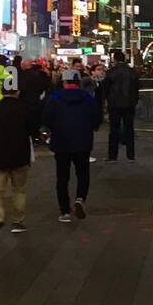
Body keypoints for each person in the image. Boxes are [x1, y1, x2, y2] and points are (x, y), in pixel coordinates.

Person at [42, 68, 101, 223]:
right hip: (83, 142)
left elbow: (46, 118)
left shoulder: (55, 97)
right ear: (78, 81)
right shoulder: (87, 97)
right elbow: (96, 117)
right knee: (83, 173)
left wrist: (49, 129)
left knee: (62, 177)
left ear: (64, 81)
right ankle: (80, 198)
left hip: (61, 142)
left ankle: (65, 212)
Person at [0, 87, 31, 236]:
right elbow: (32, 129)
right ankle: (18, 221)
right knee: (19, 189)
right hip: (20, 156)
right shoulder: (25, 110)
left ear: (2, 92)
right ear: (18, 92)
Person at [102, 50, 141, 161]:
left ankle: (112, 156)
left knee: (114, 130)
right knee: (129, 129)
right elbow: (137, 86)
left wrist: (106, 103)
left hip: (114, 105)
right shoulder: (132, 71)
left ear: (114, 59)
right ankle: (130, 155)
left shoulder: (111, 72)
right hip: (129, 104)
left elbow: (106, 88)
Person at [17, 56, 50, 145]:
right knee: (34, 121)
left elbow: (20, 89)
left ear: (23, 65)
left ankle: (26, 138)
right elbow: (44, 87)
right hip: (35, 101)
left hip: (24, 101)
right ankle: (35, 137)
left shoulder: (21, 76)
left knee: (25, 121)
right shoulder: (37, 75)